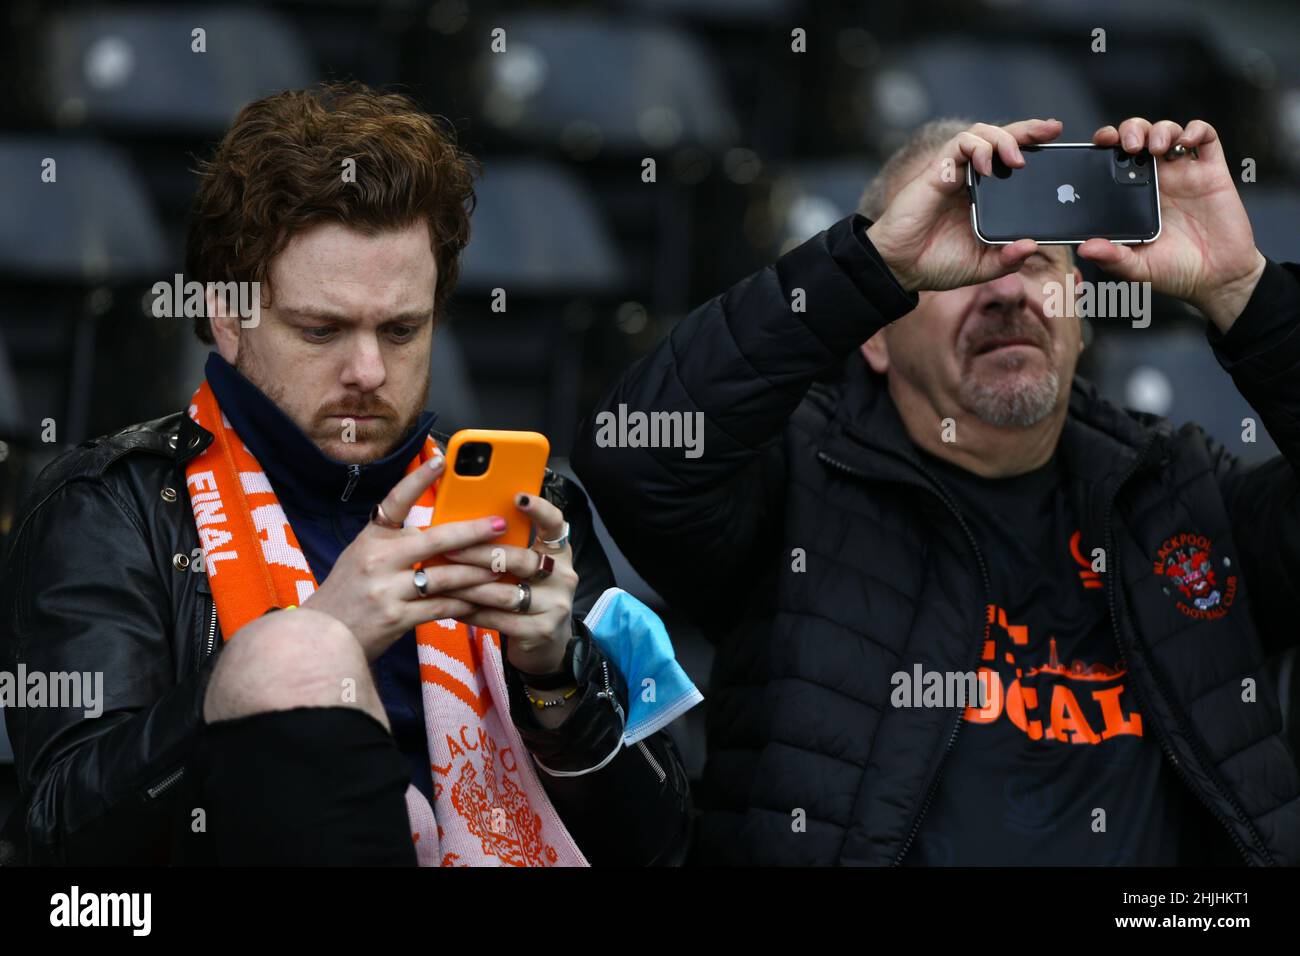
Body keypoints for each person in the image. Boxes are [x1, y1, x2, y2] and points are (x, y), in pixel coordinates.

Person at [572, 115, 1300, 865]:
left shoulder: (1180, 491)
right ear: (875, 332)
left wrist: (1247, 291)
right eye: (971, 261)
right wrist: (865, 268)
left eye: (1039, 261)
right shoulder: (795, 482)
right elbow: (633, 452)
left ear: (1080, 311)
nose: (1007, 290)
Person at [0, 82, 690, 866]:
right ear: (227, 316)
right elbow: (64, 850)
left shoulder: (529, 507)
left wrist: (558, 681)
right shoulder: (112, 506)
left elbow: (664, 846)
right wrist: (290, 659)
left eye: (402, 330)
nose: (368, 371)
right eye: (320, 329)